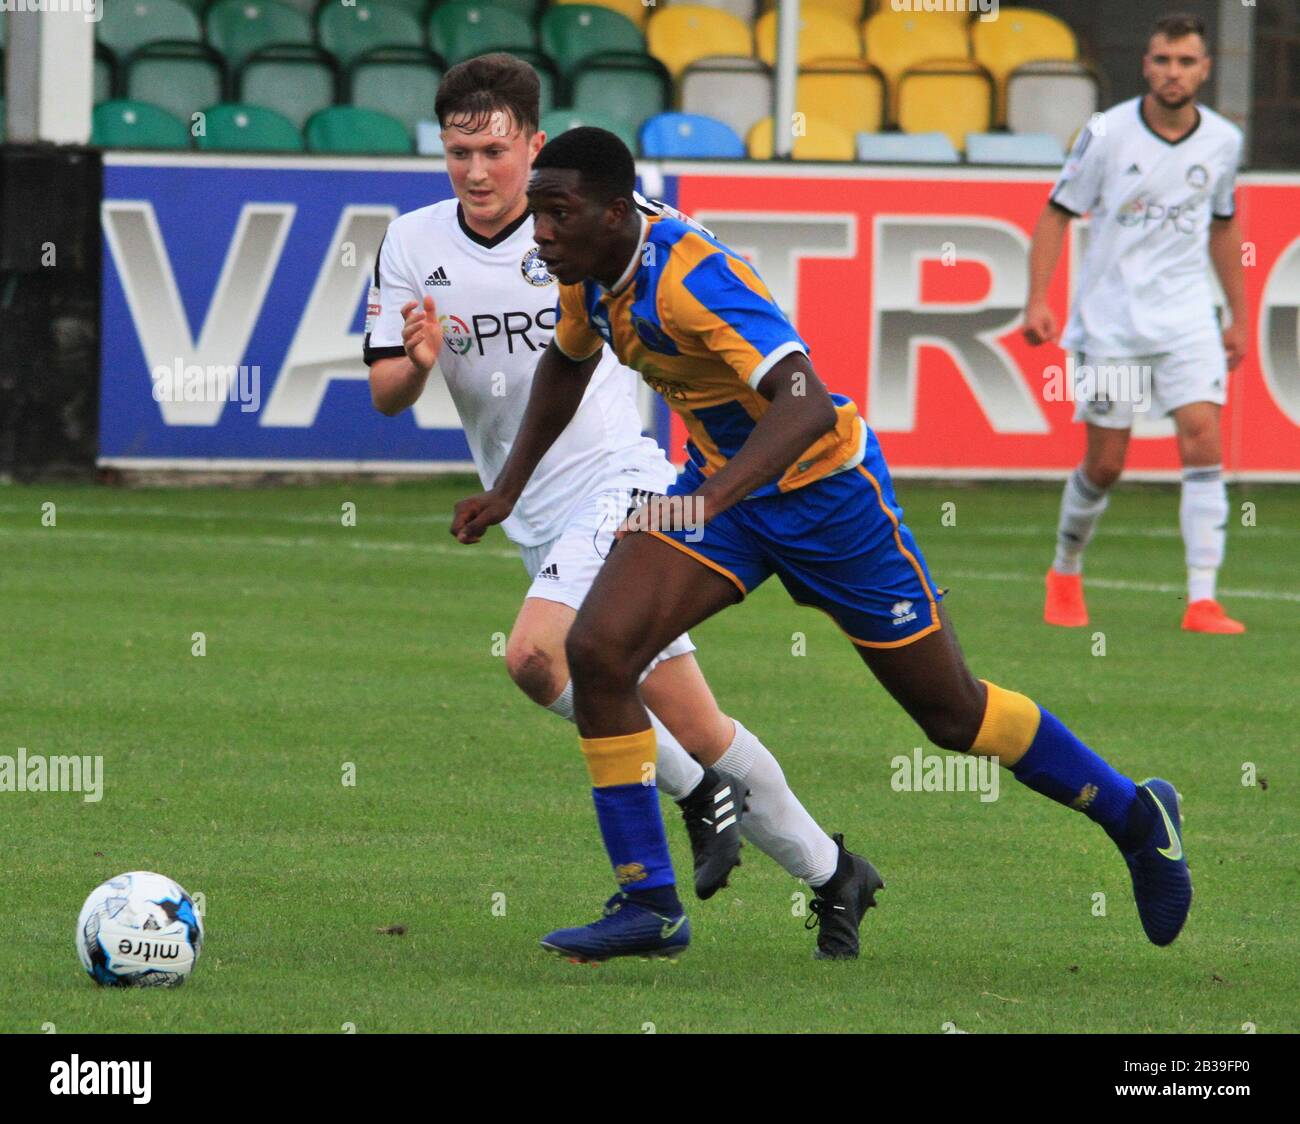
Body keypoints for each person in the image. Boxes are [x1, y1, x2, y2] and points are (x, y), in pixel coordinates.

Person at [453, 125, 1194, 962]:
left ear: (616, 214)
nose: (539, 231)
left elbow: (804, 402)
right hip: (727, 496)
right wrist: (507, 489)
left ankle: (1136, 817)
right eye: (538, 214)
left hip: (830, 501)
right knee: (596, 649)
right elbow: (564, 363)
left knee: (954, 716)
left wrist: (706, 503)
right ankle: (649, 902)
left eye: (557, 213)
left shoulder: (691, 279)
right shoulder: (590, 273)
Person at [365, 54, 876, 958]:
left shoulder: (592, 229)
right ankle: (836, 874)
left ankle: (676, 833)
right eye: (456, 154)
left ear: (534, 141)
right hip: (538, 519)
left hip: (623, 483)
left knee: (534, 656)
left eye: (493, 151)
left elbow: (680, 283)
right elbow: (386, 396)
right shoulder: (411, 244)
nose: (476, 173)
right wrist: (417, 357)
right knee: (698, 726)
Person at [1023, 11, 1247, 634]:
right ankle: (1065, 569)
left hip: (1186, 321)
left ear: (1204, 68)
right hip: (1111, 325)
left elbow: (1225, 227)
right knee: (1106, 464)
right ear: (1147, 65)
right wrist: (1038, 299)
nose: (1173, 73)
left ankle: (1203, 599)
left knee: (1203, 440)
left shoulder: (1224, 141)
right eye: (1162, 61)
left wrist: (1237, 316)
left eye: (1185, 62)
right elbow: (1056, 213)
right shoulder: (1107, 132)